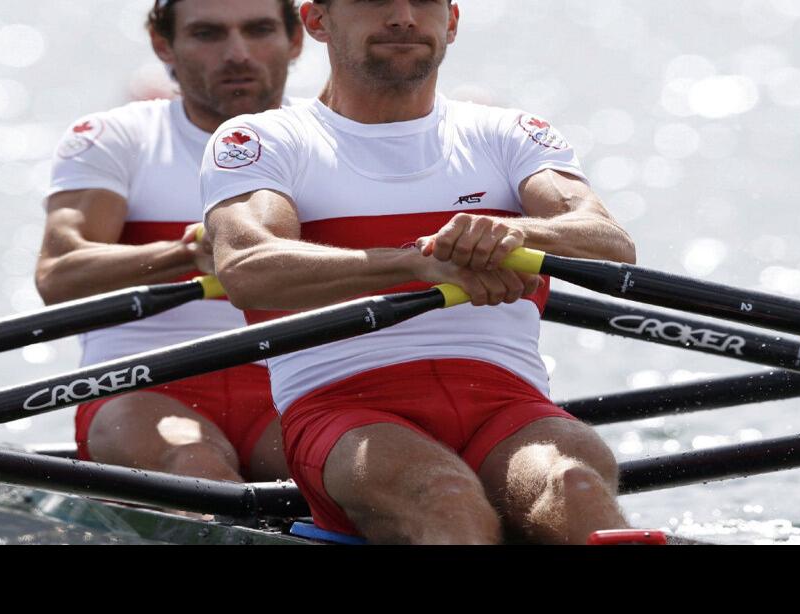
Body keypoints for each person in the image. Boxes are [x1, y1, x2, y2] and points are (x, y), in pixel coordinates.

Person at [201, 0, 637, 543]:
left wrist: (511, 234)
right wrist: (414, 261)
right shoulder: (263, 140)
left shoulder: (509, 134)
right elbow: (246, 267)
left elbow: (609, 243)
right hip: (344, 408)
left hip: (507, 403)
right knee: (446, 498)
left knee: (576, 484)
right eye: (375, 2)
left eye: (424, 2)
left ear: (451, 21)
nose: (404, 17)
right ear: (316, 20)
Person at [36, 0, 304, 483]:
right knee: (196, 466)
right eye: (208, 34)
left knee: (357, 476)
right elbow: (57, 275)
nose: (237, 53)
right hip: (143, 385)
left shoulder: (327, 140)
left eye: (259, 30)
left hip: (287, 385)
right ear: (164, 45)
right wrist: (187, 255)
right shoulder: (120, 139)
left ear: (297, 40)